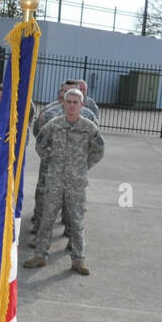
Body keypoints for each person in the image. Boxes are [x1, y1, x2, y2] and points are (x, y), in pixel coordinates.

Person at [22, 89, 104, 274]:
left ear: (82, 105)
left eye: (76, 102)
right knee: (47, 218)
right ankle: (40, 255)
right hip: (55, 180)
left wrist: (83, 166)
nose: (72, 105)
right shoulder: (53, 125)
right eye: (69, 102)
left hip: (76, 183)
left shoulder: (89, 127)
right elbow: (40, 144)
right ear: (64, 104)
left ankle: (78, 259)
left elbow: (99, 150)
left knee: (76, 221)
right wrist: (51, 161)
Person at [30, 80, 97, 241]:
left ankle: (70, 232)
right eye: (63, 92)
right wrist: (50, 157)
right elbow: (38, 134)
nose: (64, 94)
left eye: (69, 91)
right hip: (51, 165)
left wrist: (83, 163)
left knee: (72, 203)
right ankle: (40, 230)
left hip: (74, 168)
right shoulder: (48, 112)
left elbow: (94, 141)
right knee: (44, 197)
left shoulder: (88, 115)